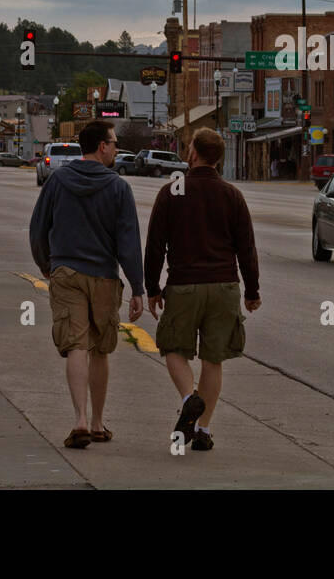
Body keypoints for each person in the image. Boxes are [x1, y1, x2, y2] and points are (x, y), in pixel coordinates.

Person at [29, 120, 145, 449]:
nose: (117, 148)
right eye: (113, 142)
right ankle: (96, 423)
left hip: (66, 271)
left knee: (75, 346)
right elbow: (128, 242)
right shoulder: (119, 187)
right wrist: (137, 287)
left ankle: (79, 419)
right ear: (101, 146)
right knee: (100, 349)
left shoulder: (58, 180)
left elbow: (38, 227)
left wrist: (46, 264)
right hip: (104, 277)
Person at [145, 127, 260, 452]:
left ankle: (188, 398)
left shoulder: (173, 191)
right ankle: (203, 428)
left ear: (194, 154)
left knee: (173, 349)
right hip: (224, 286)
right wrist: (252, 291)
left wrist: (152, 287)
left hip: (184, 285)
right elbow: (246, 249)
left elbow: (155, 245)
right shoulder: (231, 194)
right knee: (214, 359)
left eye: (188, 146)